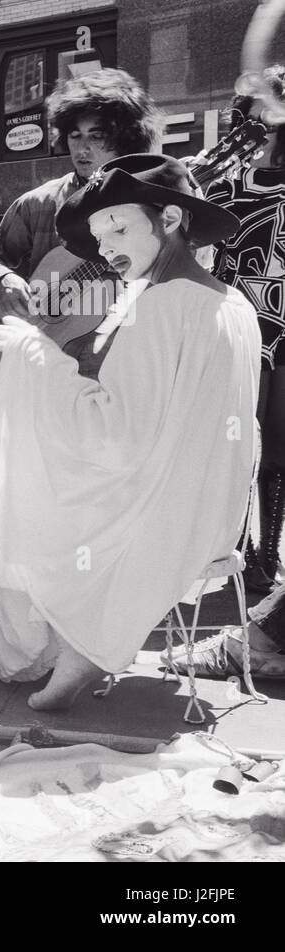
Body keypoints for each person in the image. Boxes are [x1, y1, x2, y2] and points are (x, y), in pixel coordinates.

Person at [0, 154, 259, 710]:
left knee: (22, 509)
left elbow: (116, 438)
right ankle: (79, 642)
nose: (105, 249)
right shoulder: (234, 303)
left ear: (170, 219)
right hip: (214, 514)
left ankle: (75, 647)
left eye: (119, 229)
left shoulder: (158, 304)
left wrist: (37, 356)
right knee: (34, 500)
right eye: (99, 238)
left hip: (160, 516)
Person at [0, 68, 163, 320]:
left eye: (96, 136)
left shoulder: (151, 203)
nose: (82, 148)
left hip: (130, 336)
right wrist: (4, 279)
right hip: (46, 339)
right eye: (75, 136)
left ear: (126, 139)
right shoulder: (38, 204)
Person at [204, 67, 285, 592]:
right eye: (251, 121)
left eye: (271, 120)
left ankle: (266, 554)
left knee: (278, 443)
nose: (261, 131)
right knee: (234, 445)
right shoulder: (221, 185)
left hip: (284, 327)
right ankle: (231, 544)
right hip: (236, 325)